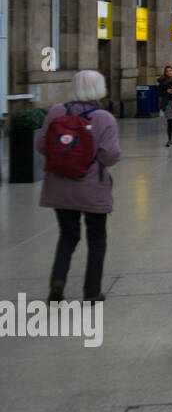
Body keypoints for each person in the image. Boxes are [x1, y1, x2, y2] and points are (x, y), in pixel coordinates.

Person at [35, 70, 121, 302]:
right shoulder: (104, 118)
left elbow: (42, 145)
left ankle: (57, 282)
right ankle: (92, 291)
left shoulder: (56, 111)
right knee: (96, 238)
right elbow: (111, 156)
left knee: (67, 235)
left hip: (60, 186)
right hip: (92, 187)